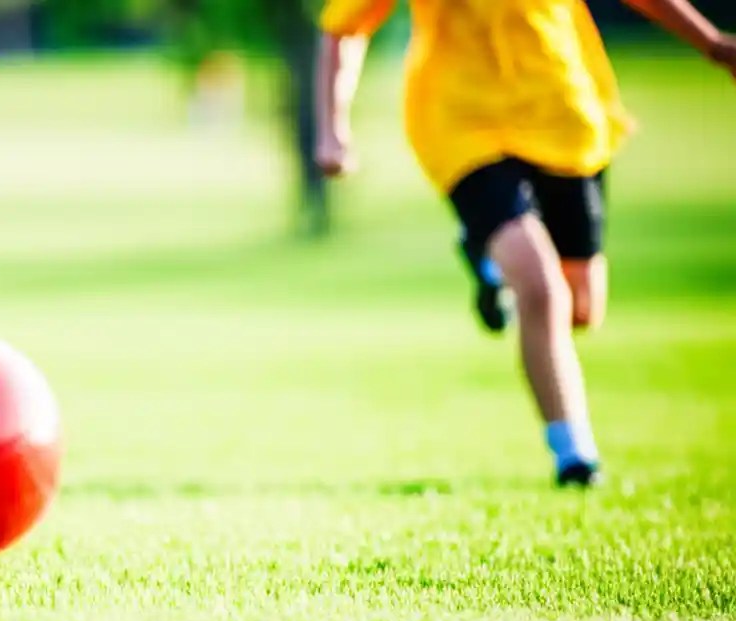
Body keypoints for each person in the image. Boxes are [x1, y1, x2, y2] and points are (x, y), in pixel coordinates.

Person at [314, 0, 736, 487]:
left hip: (562, 111)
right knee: (541, 290)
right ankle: (574, 455)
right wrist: (333, 129)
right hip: (462, 123)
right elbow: (341, 29)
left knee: (579, 309)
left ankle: (489, 258)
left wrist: (710, 42)